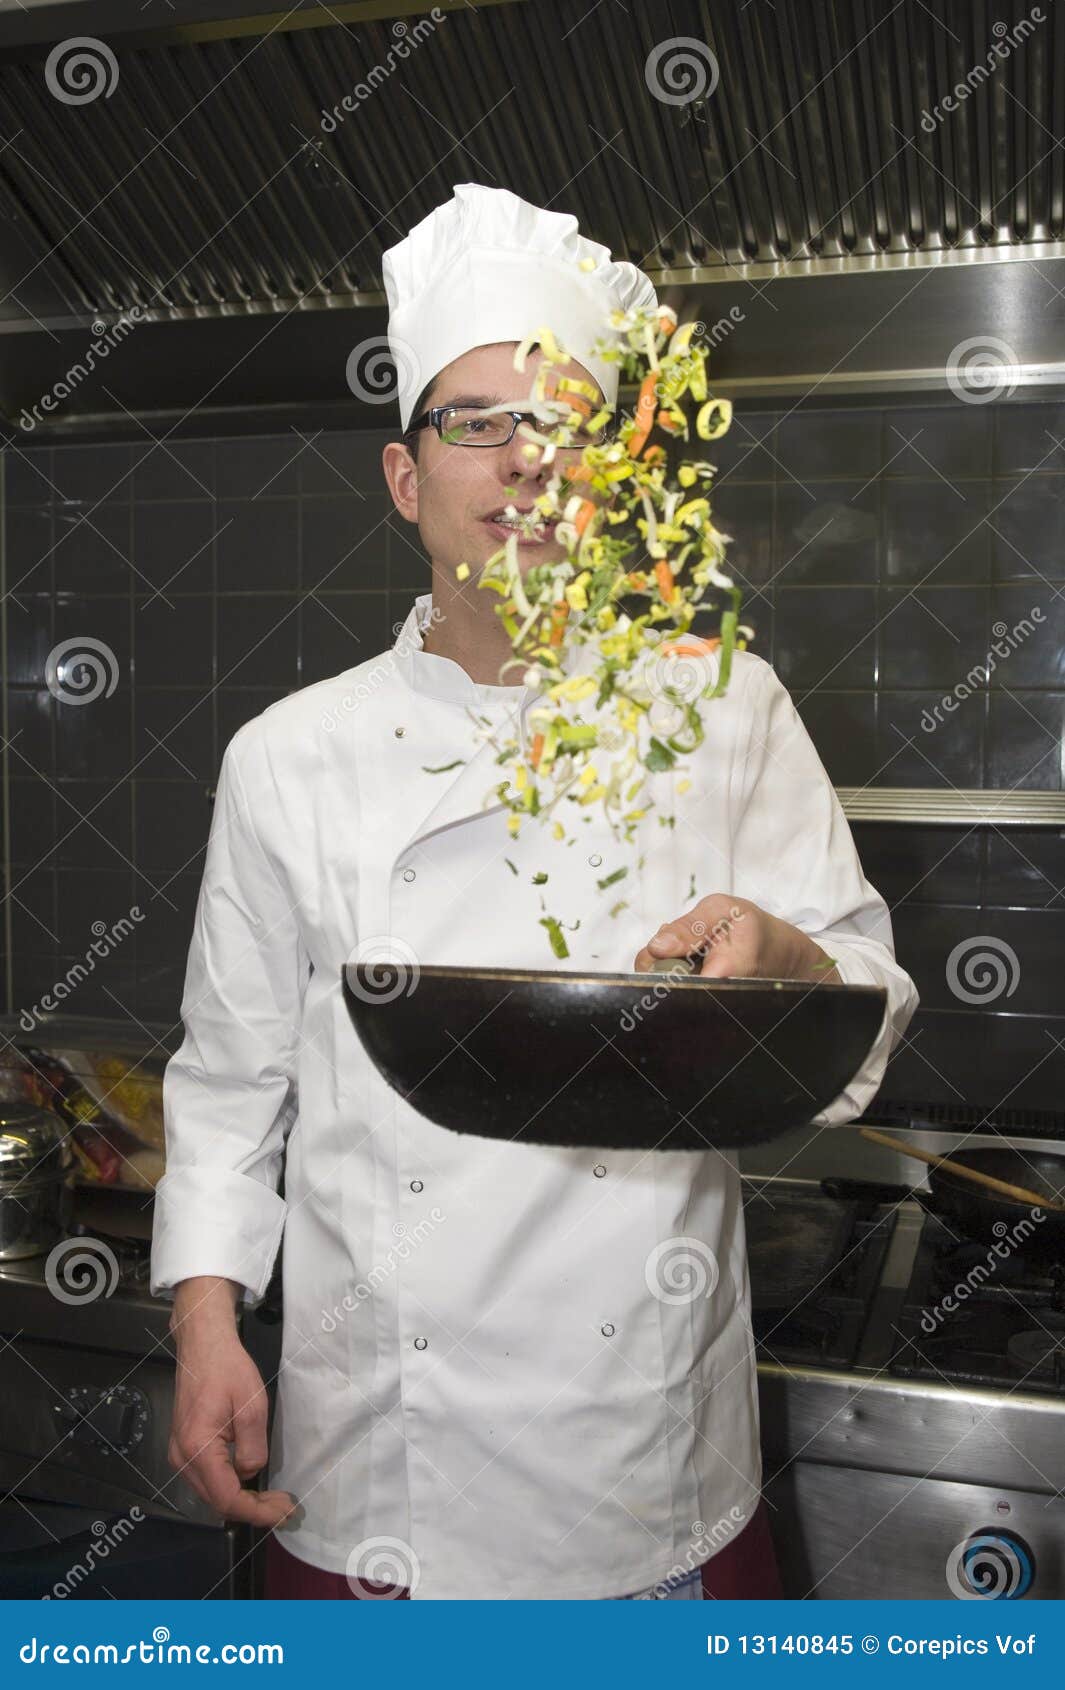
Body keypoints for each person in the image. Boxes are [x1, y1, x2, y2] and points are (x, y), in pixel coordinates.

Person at [150, 183, 919, 1601]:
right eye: (475, 421)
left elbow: (862, 1016)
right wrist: (207, 1325)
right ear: (404, 475)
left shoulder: (723, 706)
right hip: (371, 1466)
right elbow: (227, 1085)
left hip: (645, 1480)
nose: (520, 462)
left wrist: (785, 958)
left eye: (562, 426)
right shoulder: (288, 756)